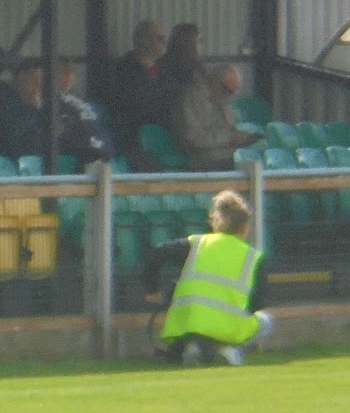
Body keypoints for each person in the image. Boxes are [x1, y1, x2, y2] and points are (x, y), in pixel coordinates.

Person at [144, 189, 273, 366]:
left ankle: (193, 347)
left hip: (188, 326)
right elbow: (257, 304)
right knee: (266, 320)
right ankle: (228, 348)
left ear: (215, 222)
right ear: (244, 227)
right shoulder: (254, 257)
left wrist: (152, 290)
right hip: (231, 329)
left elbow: (157, 253)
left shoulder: (196, 244)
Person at [173, 63, 258, 171]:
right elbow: (193, 138)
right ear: (216, 82)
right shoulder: (193, 98)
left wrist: (240, 137)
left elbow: (229, 127)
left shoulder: (222, 97)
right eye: (227, 91)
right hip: (204, 159)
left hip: (227, 154)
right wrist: (229, 137)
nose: (228, 97)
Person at [105, 20, 169, 157]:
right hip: (135, 136)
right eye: (160, 38)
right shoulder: (123, 70)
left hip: (165, 131)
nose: (164, 42)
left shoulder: (165, 69)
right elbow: (130, 106)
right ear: (144, 40)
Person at [0, 58, 48, 160]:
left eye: (40, 85)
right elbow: (12, 132)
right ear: (21, 76)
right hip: (10, 151)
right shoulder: (1, 95)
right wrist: (32, 109)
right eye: (34, 83)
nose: (36, 89)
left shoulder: (36, 100)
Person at [154, 21, 205, 98]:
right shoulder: (158, 67)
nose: (201, 45)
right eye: (199, 41)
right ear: (189, 43)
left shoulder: (199, 68)